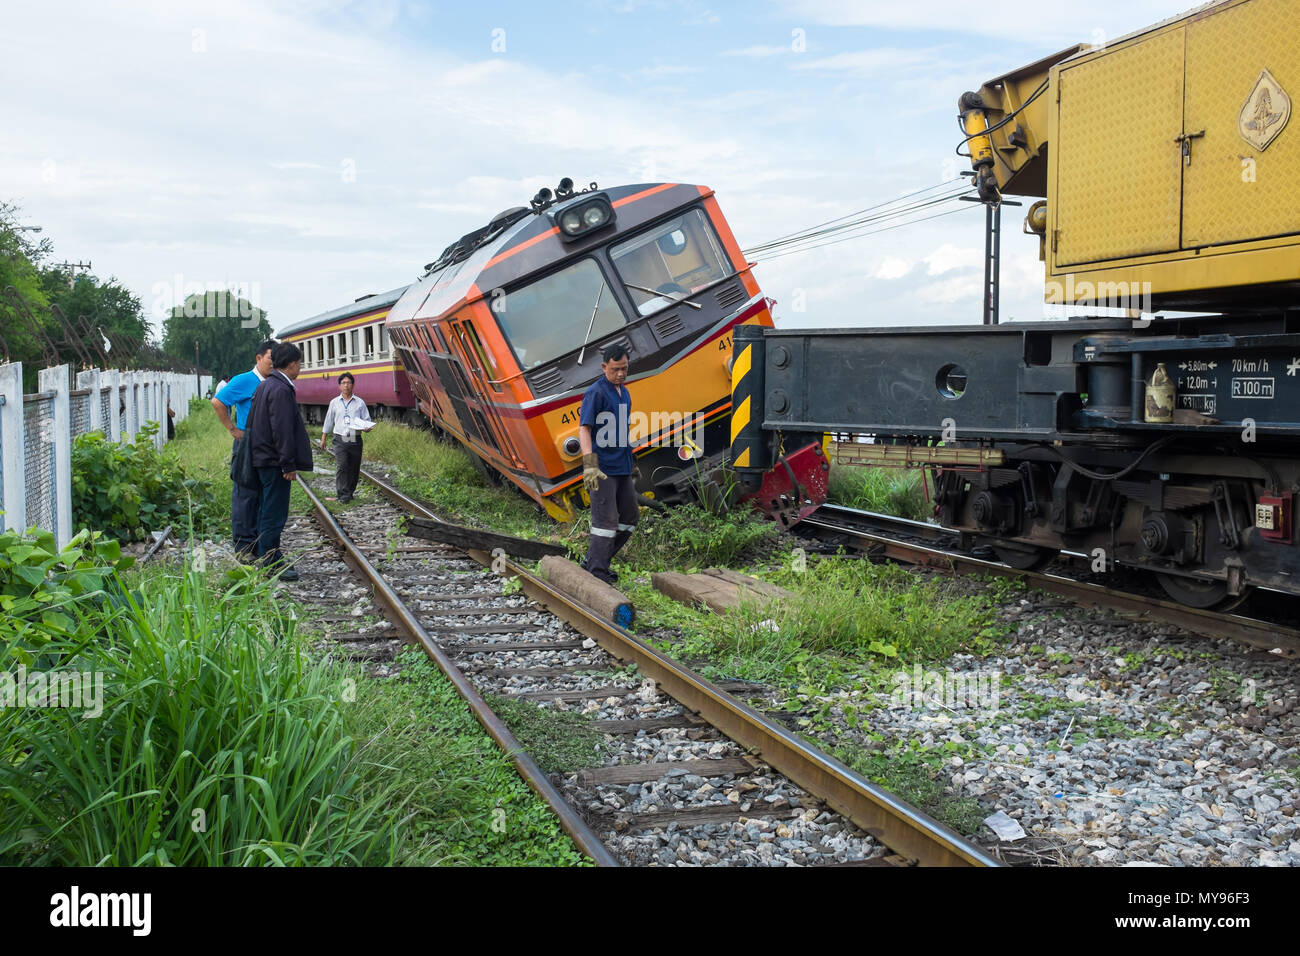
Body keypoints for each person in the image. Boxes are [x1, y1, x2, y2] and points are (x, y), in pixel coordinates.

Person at [247, 342, 313, 581]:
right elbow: (282, 430)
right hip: (274, 462)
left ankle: (268, 557)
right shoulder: (281, 389)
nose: (300, 368)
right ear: (293, 364)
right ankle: (271, 562)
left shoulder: (266, 386)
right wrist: (288, 464)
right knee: (274, 513)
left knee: (266, 510)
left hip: (263, 459)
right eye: (300, 363)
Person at [578, 343, 638, 584]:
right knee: (606, 522)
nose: (621, 374)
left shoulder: (625, 391)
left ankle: (594, 561)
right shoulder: (596, 392)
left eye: (624, 368)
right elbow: (584, 429)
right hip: (601, 468)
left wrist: (632, 461)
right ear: (604, 367)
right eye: (616, 369)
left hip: (622, 465)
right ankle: (597, 573)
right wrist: (589, 465)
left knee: (630, 518)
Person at [211, 342, 276, 561]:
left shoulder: (274, 382)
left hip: (268, 445)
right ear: (259, 358)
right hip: (247, 443)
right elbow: (218, 401)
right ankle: (244, 547)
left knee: (264, 495)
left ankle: (260, 543)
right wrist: (233, 429)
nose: (273, 364)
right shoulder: (244, 380)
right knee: (245, 495)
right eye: (270, 359)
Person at [320, 372, 372, 503]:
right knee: (342, 465)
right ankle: (343, 495)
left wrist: (367, 428)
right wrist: (324, 437)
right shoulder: (334, 403)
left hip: (355, 437)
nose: (346, 385)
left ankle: (350, 492)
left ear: (353, 385)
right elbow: (329, 421)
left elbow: (367, 420)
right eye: (343, 383)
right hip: (340, 438)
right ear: (339, 386)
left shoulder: (360, 403)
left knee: (354, 467)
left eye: (348, 383)